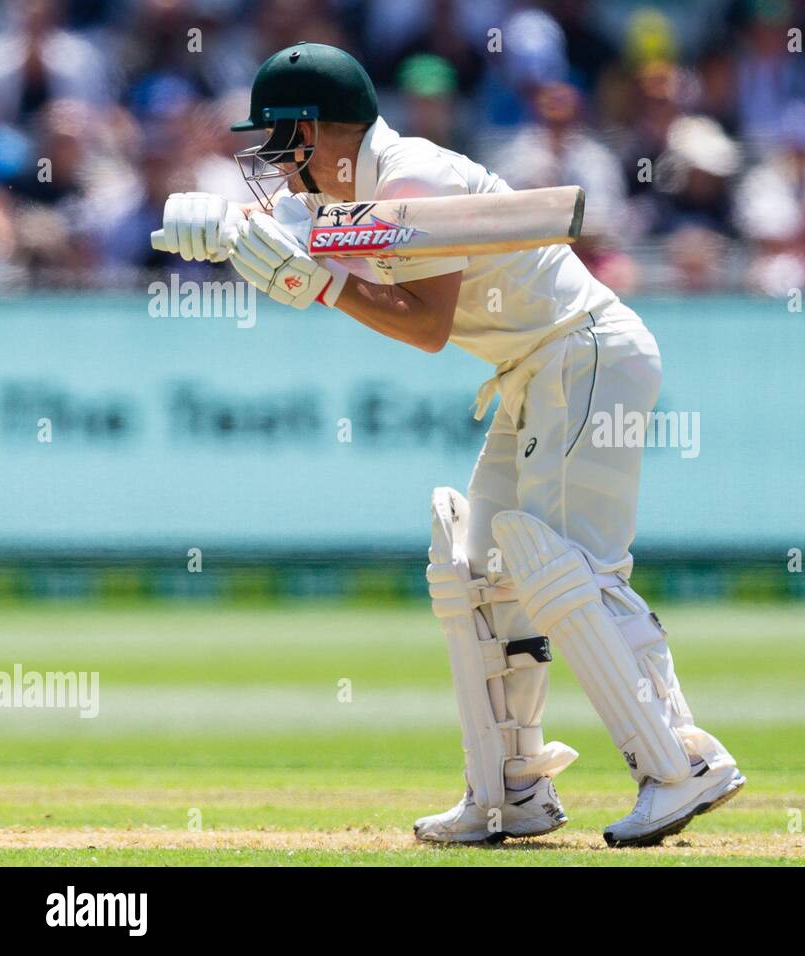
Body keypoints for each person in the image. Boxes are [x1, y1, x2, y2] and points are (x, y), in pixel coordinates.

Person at [156, 42, 743, 847]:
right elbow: (285, 226)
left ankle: (679, 764)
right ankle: (510, 793)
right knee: (480, 571)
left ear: (327, 132)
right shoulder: (348, 191)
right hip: (534, 364)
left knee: (564, 565)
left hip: (585, 350)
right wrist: (221, 228)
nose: (277, 162)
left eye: (284, 141)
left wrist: (324, 285)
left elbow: (426, 326)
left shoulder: (413, 179)